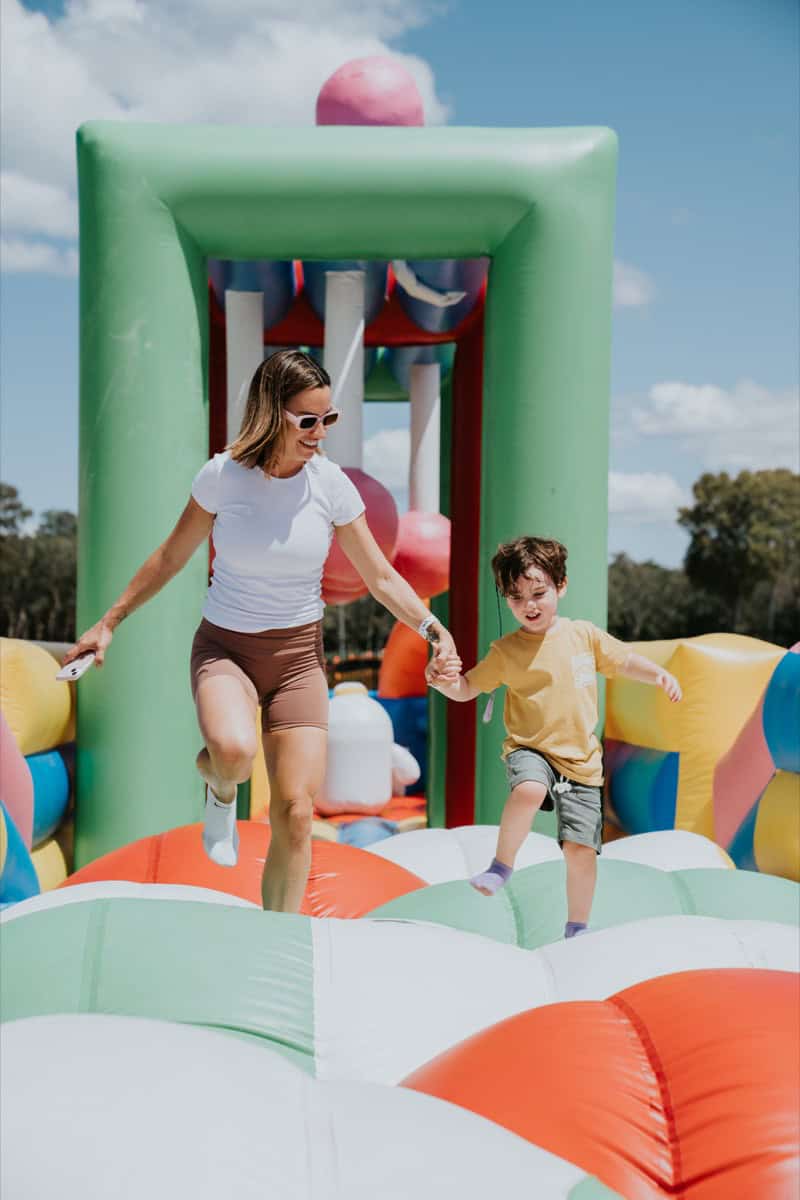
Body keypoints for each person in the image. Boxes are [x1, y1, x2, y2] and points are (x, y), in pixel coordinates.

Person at [63, 349, 460, 912]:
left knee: (297, 811)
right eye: (308, 421)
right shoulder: (223, 477)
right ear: (272, 413)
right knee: (232, 750)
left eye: (329, 420)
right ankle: (220, 790)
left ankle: (281, 935)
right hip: (226, 648)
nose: (320, 433)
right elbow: (170, 557)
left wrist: (431, 626)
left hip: (298, 658)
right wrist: (108, 623)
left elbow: (378, 574)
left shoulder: (331, 486)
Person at [426, 536, 681, 938]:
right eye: (515, 597)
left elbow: (623, 660)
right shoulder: (506, 651)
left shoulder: (584, 636)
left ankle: (577, 926)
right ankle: (501, 866)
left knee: (580, 852)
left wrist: (658, 674)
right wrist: (443, 683)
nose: (528, 605)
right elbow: (468, 687)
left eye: (538, 593)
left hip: (581, 760)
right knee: (528, 789)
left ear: (561, 586)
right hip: (531, 748)